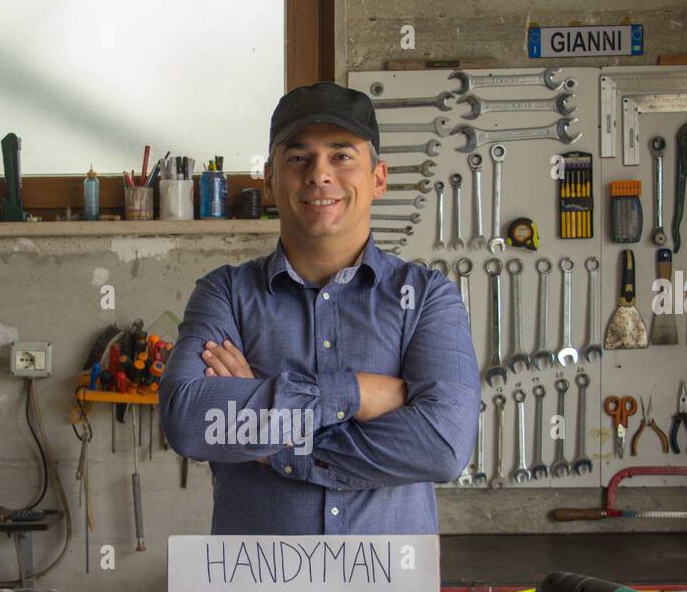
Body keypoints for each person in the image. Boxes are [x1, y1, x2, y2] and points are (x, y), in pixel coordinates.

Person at [159, 81, 479, 535]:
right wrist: (359, 393)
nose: (319, 174)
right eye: (298, 158)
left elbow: (443, 447)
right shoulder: (225, 293)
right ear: (270, 181)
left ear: (378, 179)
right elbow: (189, 421)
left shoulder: (428, 298)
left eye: (342, 155)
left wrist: (272, 440)